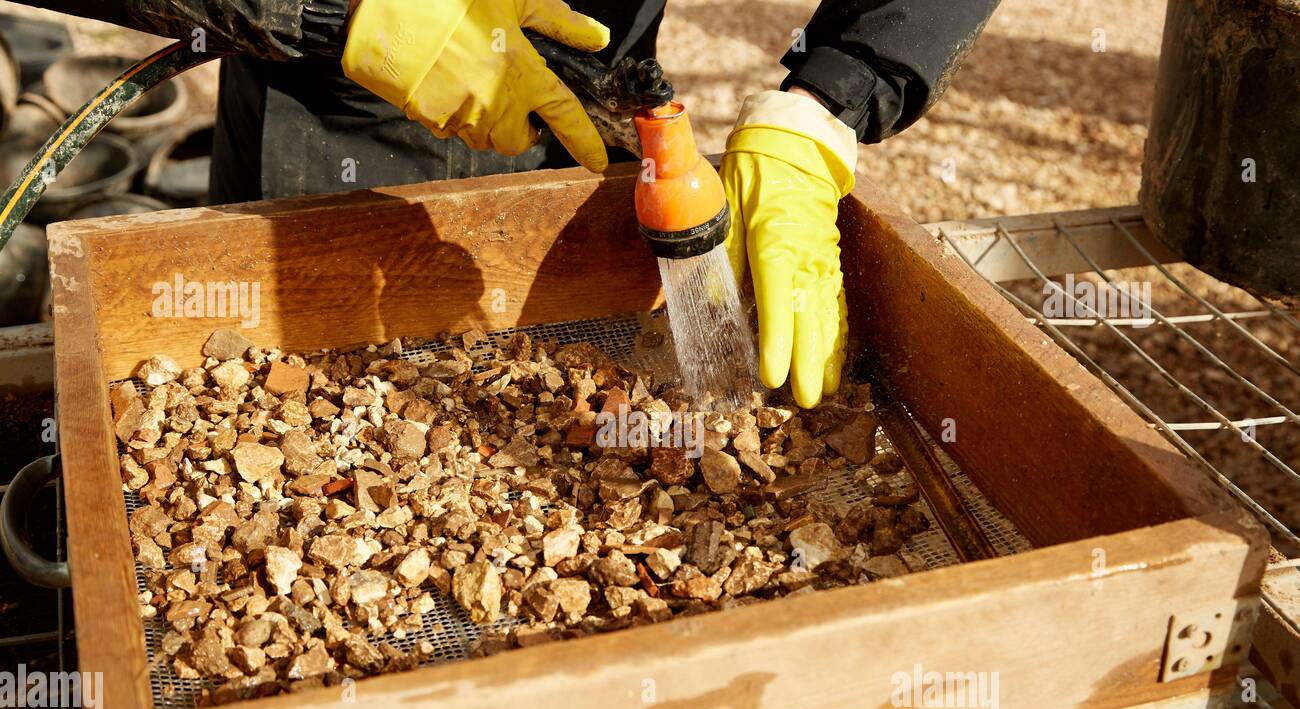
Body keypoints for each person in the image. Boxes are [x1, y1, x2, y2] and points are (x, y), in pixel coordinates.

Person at [23, 0, 999, 407]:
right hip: (342, 98)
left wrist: (826, 96)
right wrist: (336, 7)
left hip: (584, 82)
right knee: (310, 397)